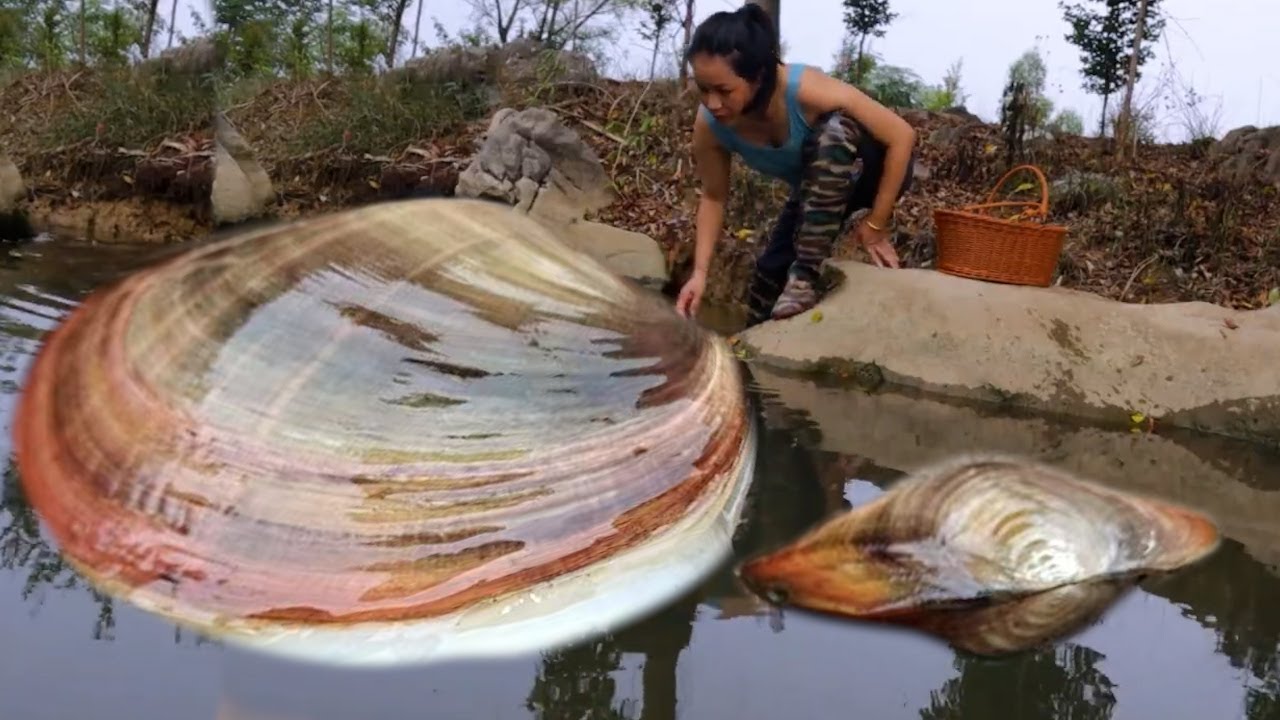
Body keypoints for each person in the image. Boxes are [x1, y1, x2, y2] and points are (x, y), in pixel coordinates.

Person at [674, 4, 918, 325]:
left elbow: (902, 136)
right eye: (704, 90)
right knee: (768, 274)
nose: (713, 103)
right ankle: (751, 350)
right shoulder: (710, 126)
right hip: (815, 188)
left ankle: (804, 276)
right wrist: (700, 274)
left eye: (724, 90)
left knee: (835, 132)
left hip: (874, 169)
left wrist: (876, 225)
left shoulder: (804, 89)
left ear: (758, 76)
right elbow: (714, 196)